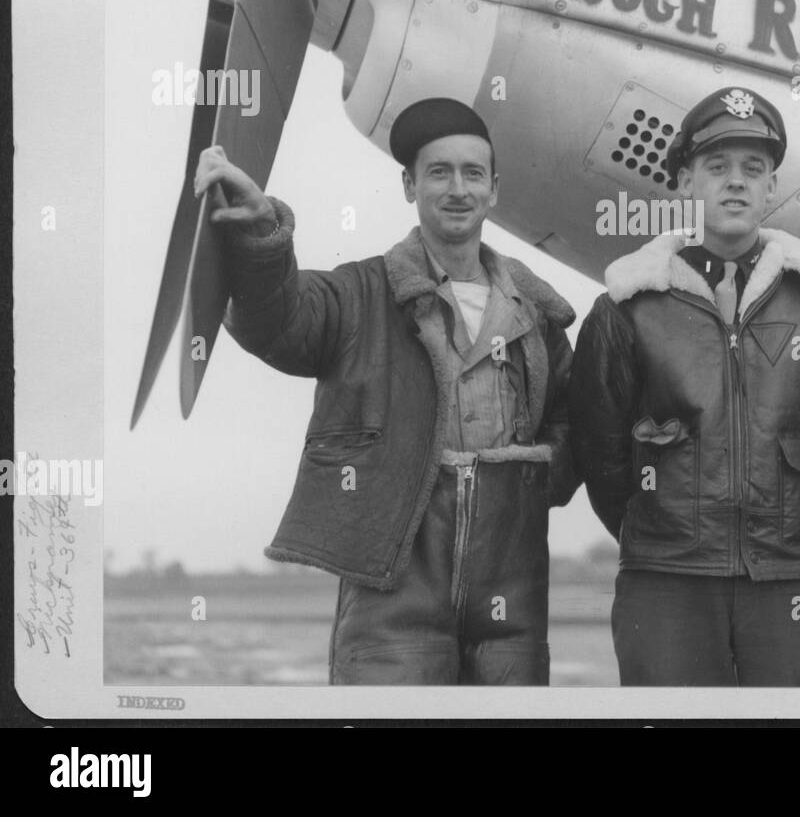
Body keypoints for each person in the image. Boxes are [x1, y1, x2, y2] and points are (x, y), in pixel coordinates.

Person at [197, 97, 577, 685]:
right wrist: (258, 230)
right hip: (393, 590)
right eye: (439, 172)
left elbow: (575, 419)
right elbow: (275, 321)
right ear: (408, 185)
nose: (458, 188)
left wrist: (536, 477)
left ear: (494, 189)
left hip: (512, 590)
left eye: (473, 173)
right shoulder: (358, 296)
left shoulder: (539, 317)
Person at [570, 87, 800, 686]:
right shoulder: (626, 309)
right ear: (684, 181)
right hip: (668, 579)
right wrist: (664, 535)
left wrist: (799, 541)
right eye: (716, 167)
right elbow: (602, 457)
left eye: (752, 169)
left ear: (771, 187)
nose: (736, 182)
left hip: (794, 579)